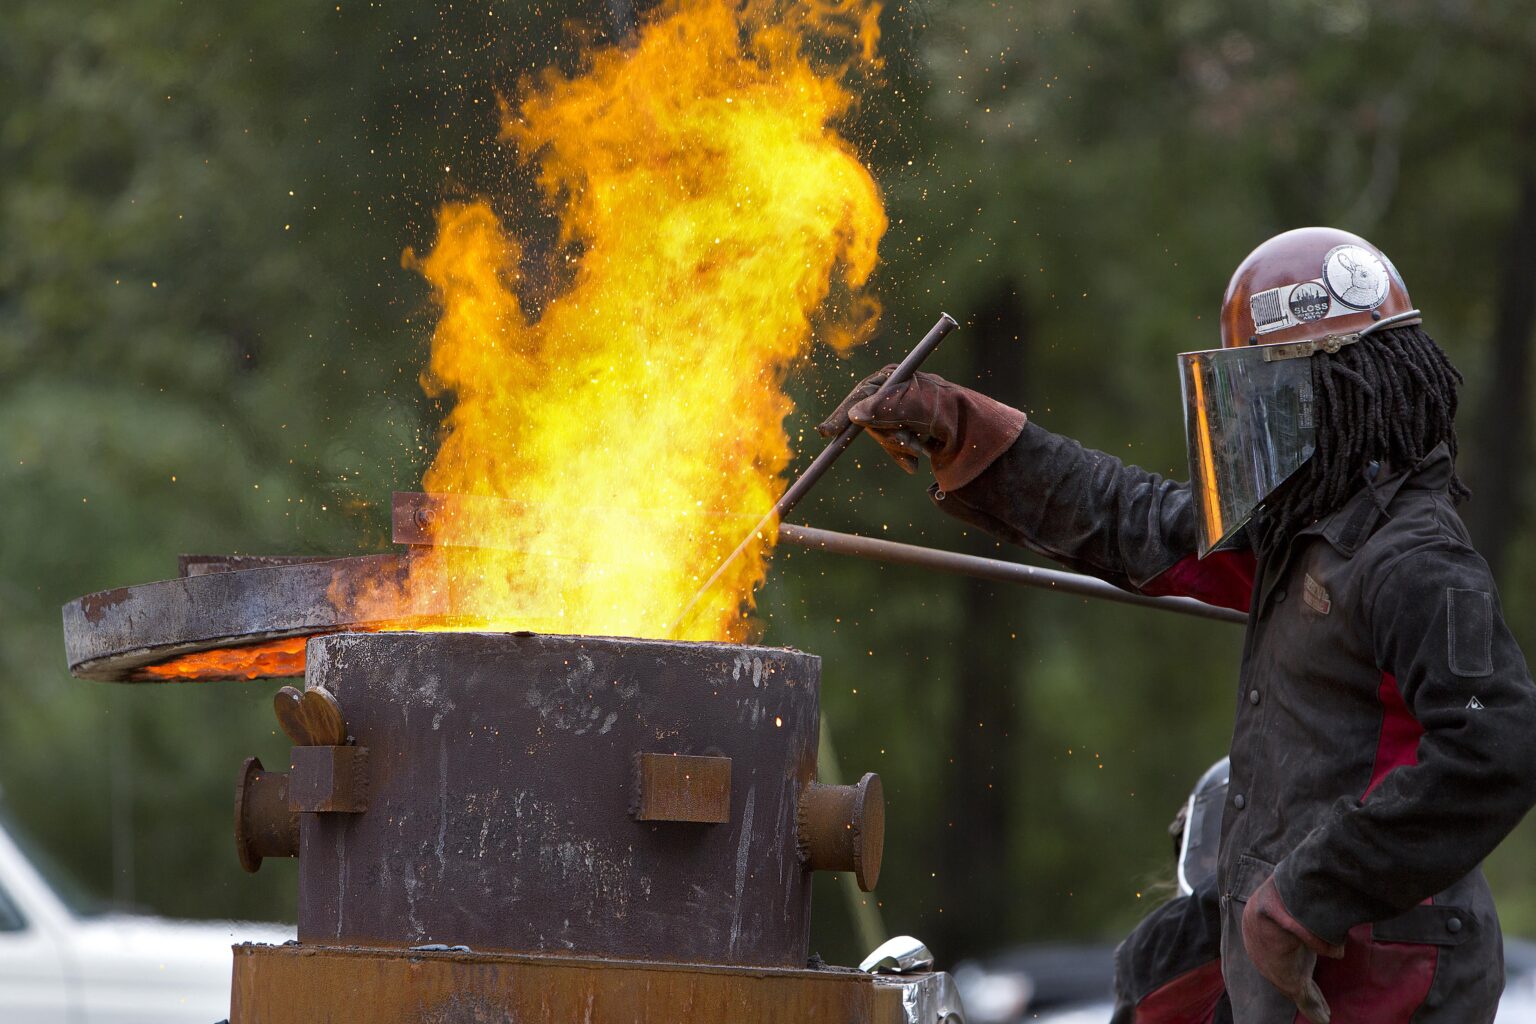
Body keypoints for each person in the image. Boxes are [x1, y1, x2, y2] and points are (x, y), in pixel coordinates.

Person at [821, 227, 1536, 1023]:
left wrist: (1309, 895)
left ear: (1336, 393)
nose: (1255, 425)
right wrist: (961, 428)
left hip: (1390, 969)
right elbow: (1139, 522)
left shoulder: (1415, 559)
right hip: (1309, 961)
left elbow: (1497, 747)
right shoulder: (1307, 539)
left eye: (1270, 398)